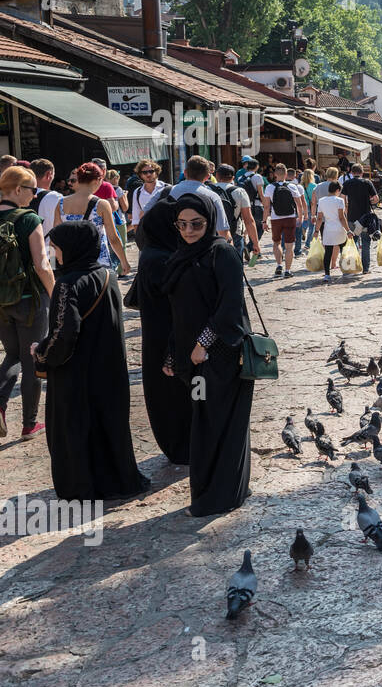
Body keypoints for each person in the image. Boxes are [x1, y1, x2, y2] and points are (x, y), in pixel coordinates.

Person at [33, 221, 149, 500]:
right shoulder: (106, 275)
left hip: (77, 374)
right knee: (106, 426)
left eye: (56, 248)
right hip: (108, 369)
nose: (54, 253)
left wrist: (40, 352)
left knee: (75, 428)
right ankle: (114, 481)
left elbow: (64, 333)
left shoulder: (66, 284)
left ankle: (81, 486)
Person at [161, 192, 253, 517]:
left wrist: (203, 343)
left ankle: (216, 497)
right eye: (182, 224)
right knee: (206, 422)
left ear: (209, 221)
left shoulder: (223, 253)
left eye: (196, 223)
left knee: (216, 425)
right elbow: (178, 312)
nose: (189, 230)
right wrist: (174, 352)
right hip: (196, 362)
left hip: (222, 358)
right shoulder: (182, 255)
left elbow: (229, 306)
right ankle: (227, 488)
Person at [124, 197, 190, 463]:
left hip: (158, 338)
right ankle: (182, 446)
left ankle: (180, 445)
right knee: (174, 396)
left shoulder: (153, 254)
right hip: (168, 341)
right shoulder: (161, 259)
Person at [0, 166, 55, 439]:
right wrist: (56, 294)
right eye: (33, 190)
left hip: (2, 302)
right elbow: (42, 264)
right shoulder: (28, 218)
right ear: (19, 189)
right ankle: (29, 424)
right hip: (30, 300)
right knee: (31, 356)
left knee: (12, 354)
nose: (35, 196)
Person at [52, 162, 130, 274]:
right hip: (98, 262)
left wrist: (56, 263)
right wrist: (124, 261)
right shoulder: (101, 204)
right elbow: (113, 238)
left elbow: (56, 237)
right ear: (96, 180)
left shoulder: (61, 203)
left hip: (71, 262)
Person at [169, 156, 231, 240]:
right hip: (203, 249)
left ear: (185, 173)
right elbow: (223, 231)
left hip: (172, 247)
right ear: (207, 176)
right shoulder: (212, 196)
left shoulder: (168, 192)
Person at [215, 163, 260, 261]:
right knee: (236, 267)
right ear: (233, 178)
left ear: (217, 176)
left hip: (214, 234)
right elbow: (249, 220)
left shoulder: (208, 190)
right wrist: (255, 243)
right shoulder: (240, 192)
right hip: (235, 232)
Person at [340, 164, 378, 274]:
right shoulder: (367, 183)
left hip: (352, 217)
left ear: (352, 172)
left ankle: (354, 265)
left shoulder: (347, 183)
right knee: (366, 243)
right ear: (362, 173)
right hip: (365, 218)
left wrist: (348, 206)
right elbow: (376, 199)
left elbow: (342, 199)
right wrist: (369, 201)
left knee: (353, 241)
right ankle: (365, 269)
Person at [315, 180, 349, 282]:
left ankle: (327, 274)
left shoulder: (321, 201)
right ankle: (345, 271)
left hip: (328, 229)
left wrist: (316, 230)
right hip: (339, 229)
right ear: (337, 190)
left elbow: (320, 218)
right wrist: (348, 230)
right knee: (343, 250)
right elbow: (342, 217)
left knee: (328, 252)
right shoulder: (339, 201)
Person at [130, 160, 169, 231]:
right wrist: (138, 237)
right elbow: (136, 217)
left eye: (151, 171)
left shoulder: (166, 188)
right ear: (140, 175)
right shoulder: (137, 192)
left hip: (166, 229)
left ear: (156, 172)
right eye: (144, 172)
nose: (148, 174)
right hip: (147, 231)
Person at [235, 158, 266, 240]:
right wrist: (266, 205)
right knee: (260, 227)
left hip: (245, 205)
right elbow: (260, 193)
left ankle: (248, 241)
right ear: (256, 167)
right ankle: (251, 247)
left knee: (249, 225)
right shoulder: (258, 177)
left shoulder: (240, 178)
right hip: (257, 204)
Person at [296, 168, 317, 257]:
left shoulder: (300, 185)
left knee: (302, 223)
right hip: (310, 206)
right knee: (312, 226)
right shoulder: (314, 186)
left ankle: (303, 230)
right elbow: (314, 201)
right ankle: (308, 244)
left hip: (302, 206)